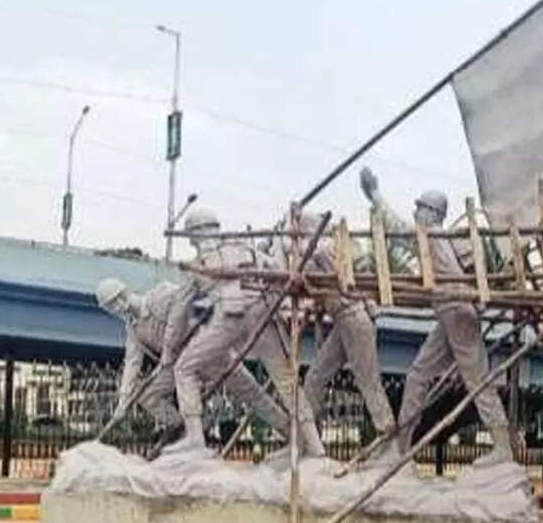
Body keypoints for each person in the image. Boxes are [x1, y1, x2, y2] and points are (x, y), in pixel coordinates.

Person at [359, 166, 513, 466]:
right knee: (418, 375)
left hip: (456, 312)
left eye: (420, 208)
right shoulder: (438, 237)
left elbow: (397, 228)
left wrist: (375, 193)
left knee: (477, 379)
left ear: (432, 213)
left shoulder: (431, 235)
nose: (416, 213)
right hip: (451, 313)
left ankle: (503, 447)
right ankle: (401, 447)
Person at [161, 209, 325, 461]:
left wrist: (169, 352)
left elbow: (178, 313)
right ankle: (315, 449)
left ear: (194, 234)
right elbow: (278, 272)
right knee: (287, 382)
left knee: (184, 368)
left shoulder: (195, 265)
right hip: (262, 311)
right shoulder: (245, 247)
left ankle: (195, 440)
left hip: (231, 316)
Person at [280, 211, 399, 464]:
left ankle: (389, 440)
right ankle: (303, 440)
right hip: (344, 322)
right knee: (315, 378)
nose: (295, 237)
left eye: (297, 231)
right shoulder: (329, 247)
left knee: (368, 381)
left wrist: (285, 249)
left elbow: (302, 274)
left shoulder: (320, 249)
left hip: (354, 320)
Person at [95, 278, 184, 454]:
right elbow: (132, 365)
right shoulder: (133, 330)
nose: (115, 311)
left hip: (195, 349)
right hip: (174, 365)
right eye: (110, 309)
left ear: (122, 295)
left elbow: (188, 301)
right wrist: (123, 402)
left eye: (112, 305)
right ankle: (178, 425)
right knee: (148, 397)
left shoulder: (161, 294)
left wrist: (170, 346)